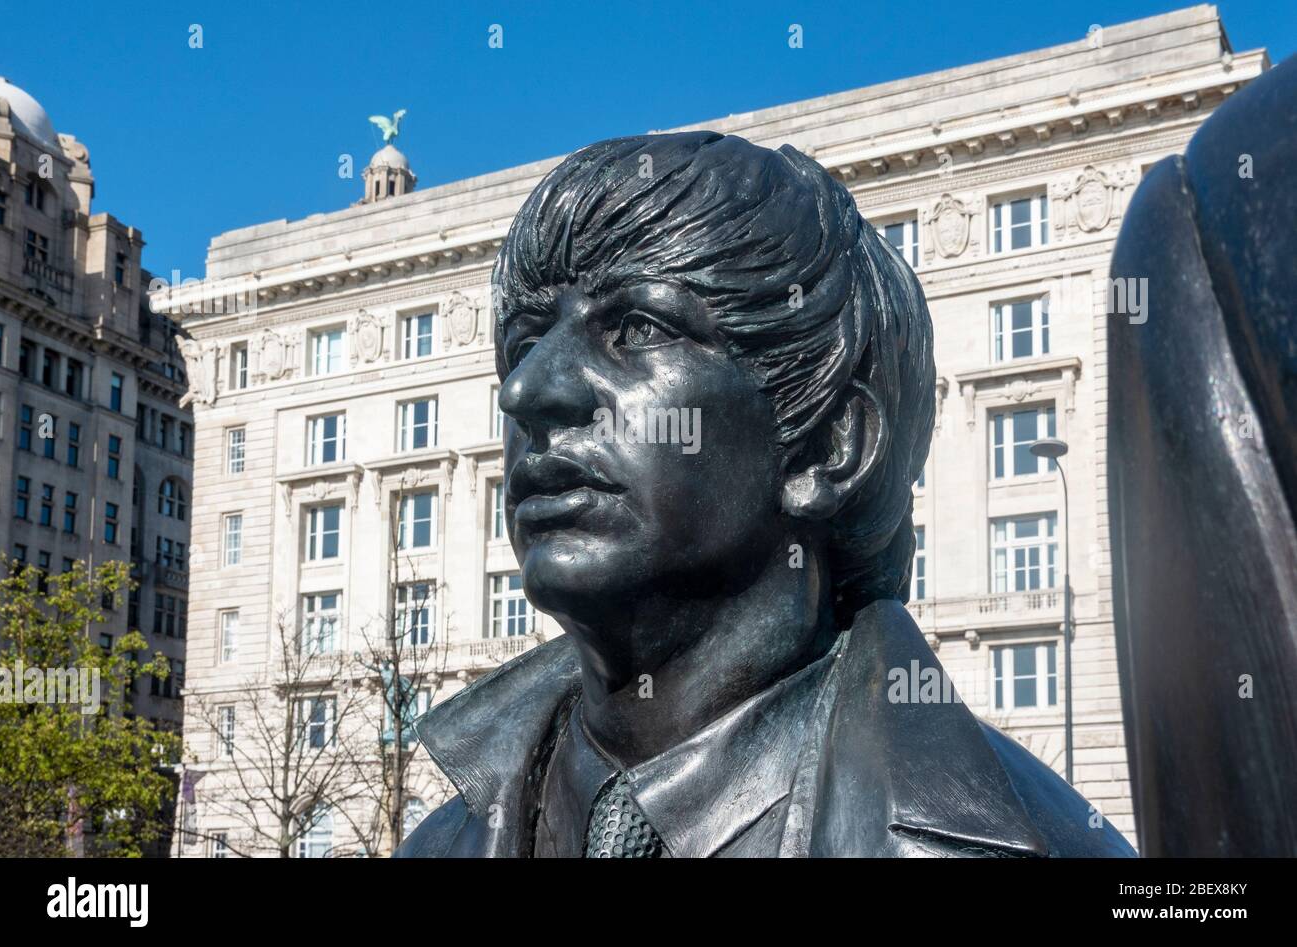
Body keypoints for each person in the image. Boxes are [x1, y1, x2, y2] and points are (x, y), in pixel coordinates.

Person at [395, 131, 1134, 858]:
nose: (527, 390)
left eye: (637, 327)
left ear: (828, 446)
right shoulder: (437, 841)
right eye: (525, 343)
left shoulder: (1042, 845)